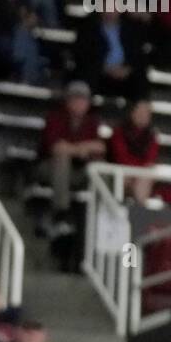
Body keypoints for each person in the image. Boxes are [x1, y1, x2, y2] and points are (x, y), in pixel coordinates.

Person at [35, 80, 105, 234]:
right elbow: (56, 148)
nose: (80, 103)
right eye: (76, 98)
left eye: (83, 99)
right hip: (48, 168)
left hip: (79, 170)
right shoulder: (55, 117)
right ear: (68, 100)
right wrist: (81, 149)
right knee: (62, 159)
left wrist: (75, 149)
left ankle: (104, 215)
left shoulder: (91, 122)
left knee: (100, 166)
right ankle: (61, 212)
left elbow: (100, 147)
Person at [107, 98, 159, 204]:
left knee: (146, 176)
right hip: (119, 173)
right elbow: (120, 157)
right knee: (126, 175)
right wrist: (137, 170)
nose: (142, 116)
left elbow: (150, 159)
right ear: (132, 113)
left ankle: (140, 212)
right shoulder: (119, 132)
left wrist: (138, 172)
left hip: (139, 178)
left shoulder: (152, 136)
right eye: (140, 112)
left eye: (146, 113)